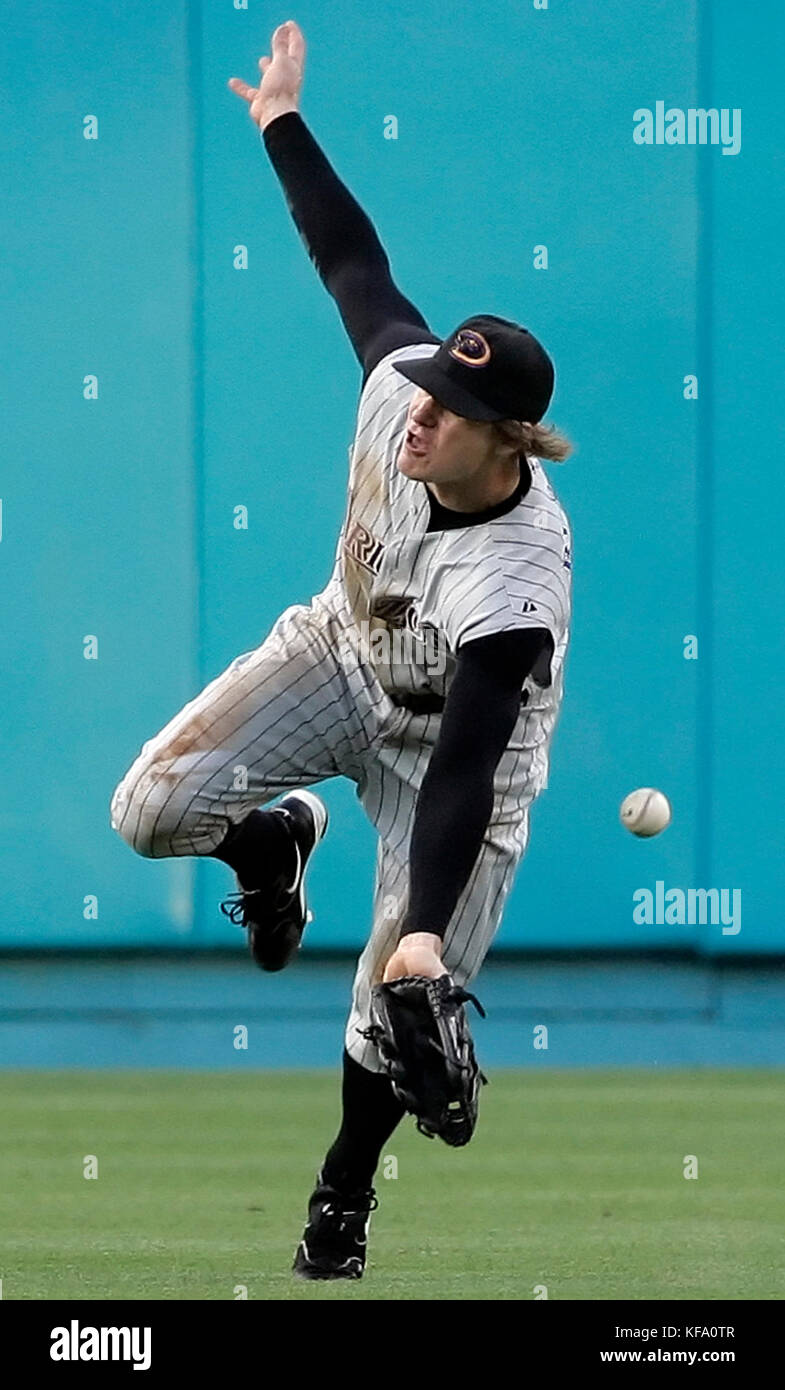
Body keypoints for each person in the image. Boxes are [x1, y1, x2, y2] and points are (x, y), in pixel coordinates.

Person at [110, 19, 573, 1281]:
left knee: (393, 1009)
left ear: (511, 441)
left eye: (456, 407)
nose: (423, 409)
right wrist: (279, 120)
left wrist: (422, 927)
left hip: (454, 762)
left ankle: (342, 1193)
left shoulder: (515, 579)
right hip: (339, 655)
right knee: (148, 808)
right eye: (432, 384)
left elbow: (471, 766)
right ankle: (275, 841)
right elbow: (349, 259)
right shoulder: (402, 387)